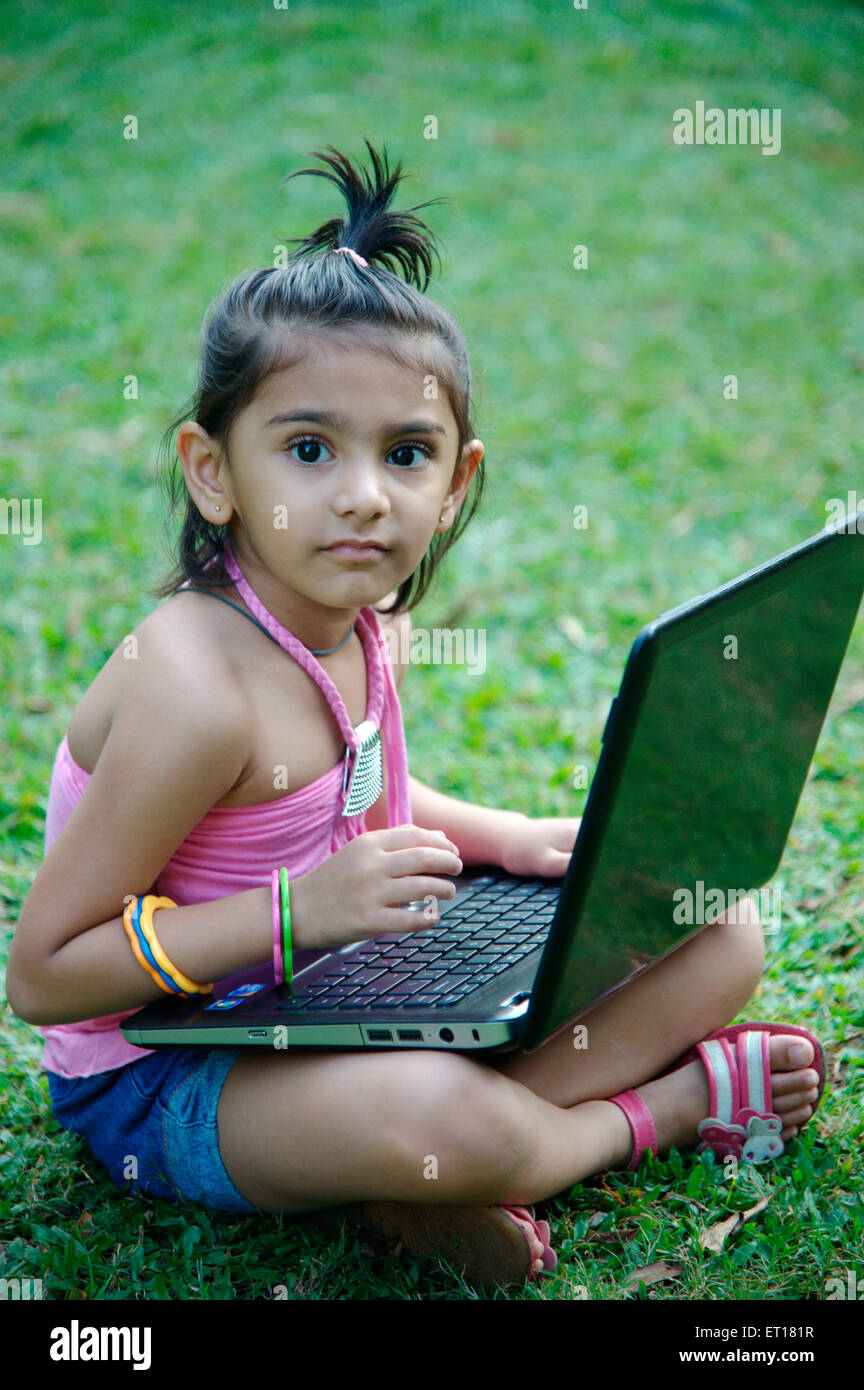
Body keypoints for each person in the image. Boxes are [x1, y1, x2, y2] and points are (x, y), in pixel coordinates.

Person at [6, 141, 825, 1291]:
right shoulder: (192, 688)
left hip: (338, 994)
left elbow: (340, 792)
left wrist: (502, 839)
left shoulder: (359, 612)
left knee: (715, 929)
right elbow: (46, 975)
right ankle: (655, 1112)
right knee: (446, 1112)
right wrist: (298, 913)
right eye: (306, 447)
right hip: (168, 1070)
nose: (362, 493)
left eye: (406, 454)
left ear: (455, 482)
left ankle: (404, 1173)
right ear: (210, 469)